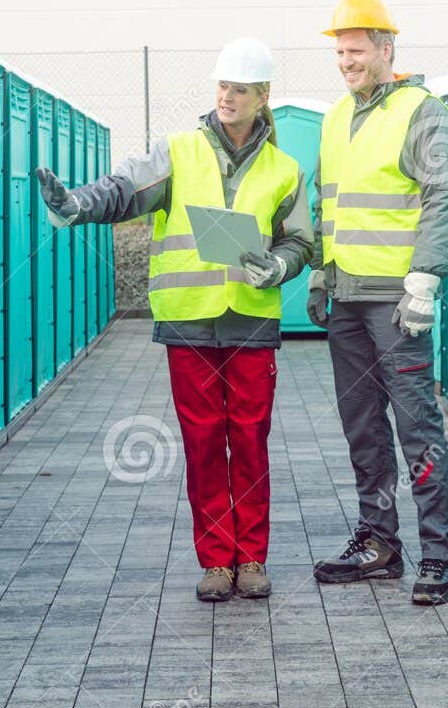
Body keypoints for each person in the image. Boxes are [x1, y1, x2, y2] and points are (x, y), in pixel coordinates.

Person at [36, 37, 312, 602]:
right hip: (188, 323)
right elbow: (124, 190)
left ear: (262, 96)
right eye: (222, 87)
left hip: (251, 323)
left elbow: (302, 242)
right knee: (204, 442)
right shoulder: (179, 151)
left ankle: (253, 556)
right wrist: (75, 206)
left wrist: (278, 267)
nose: (227, 97)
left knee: (251, 440)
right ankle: (216, 560)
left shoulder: (285, 170)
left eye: (240, 89)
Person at [307, 0, 448, 605]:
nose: (347, 60)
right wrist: (323, 273)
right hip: (348, 297)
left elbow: (447, 194)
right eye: (340, 50)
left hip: (398, 303)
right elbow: (331, 205)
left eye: (356, 49)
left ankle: (437, 556)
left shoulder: (422, 113)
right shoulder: (333, 119)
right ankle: (379, 544)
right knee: (363, 429)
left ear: (386, 50)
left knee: (417, 427)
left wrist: (425, 280)